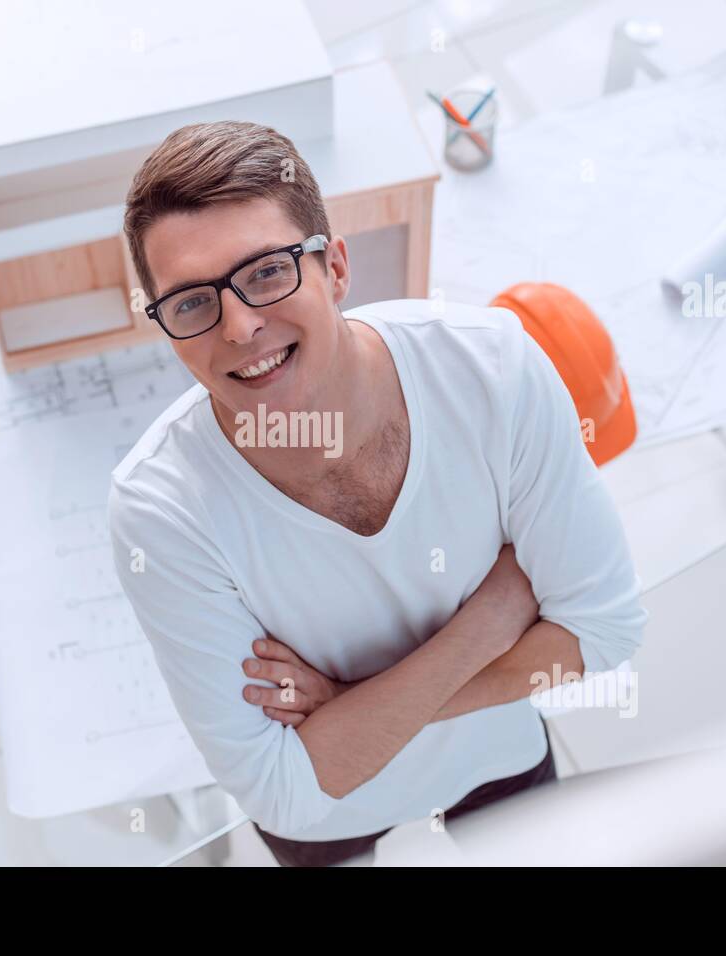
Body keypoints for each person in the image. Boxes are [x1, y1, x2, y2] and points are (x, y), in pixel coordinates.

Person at [108, 120, 648, 866]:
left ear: (334, 267)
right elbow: (283, 790)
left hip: (493, 751)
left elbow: (604, 634)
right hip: (326, 819)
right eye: (192, 303)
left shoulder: (493, 370)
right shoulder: (159, 510)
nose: (238, 327)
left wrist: (346, 707)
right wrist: (496, 612)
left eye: (266, 271)